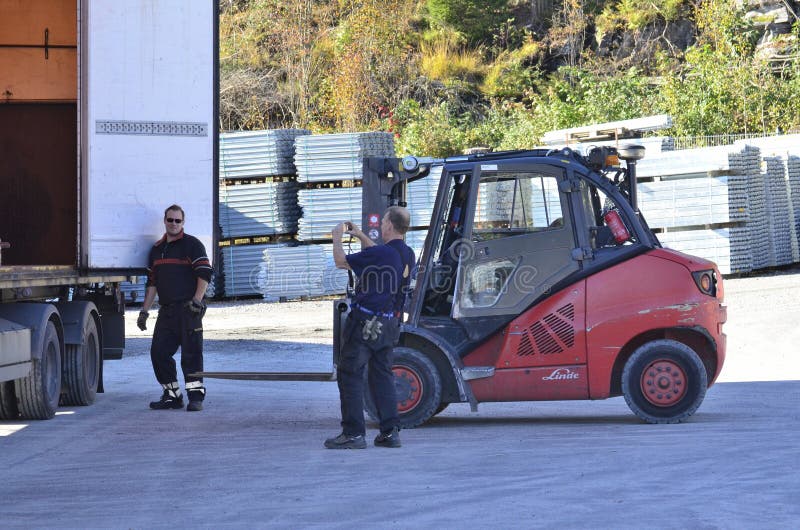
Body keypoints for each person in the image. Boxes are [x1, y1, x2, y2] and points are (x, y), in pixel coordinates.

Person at [325, 206, 416, 449]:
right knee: (382, 376)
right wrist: (361, 236)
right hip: (389, 325)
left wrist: (336, 237)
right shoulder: (407, 253)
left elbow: (340, 261)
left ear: (388, 225)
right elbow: (379, 253)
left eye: (383, 220)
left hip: (366, 323)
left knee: (350, 374)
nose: (381, 225)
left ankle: (353, 434)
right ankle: (390, 432)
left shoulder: (383, 254)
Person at [137, 205, 212, 412]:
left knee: (191, 355)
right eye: (170, 220)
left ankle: (195, 398)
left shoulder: (192, 245)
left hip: (189, 309)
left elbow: (204, 273)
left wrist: (197, 301)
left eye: (178, 221)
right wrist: (144, 311)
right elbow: (152, 283)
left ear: (183, 222)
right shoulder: (156, 250)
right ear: (164, 220)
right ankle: (172, 396)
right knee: (159, 353)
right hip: (167, 311)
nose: (173, 224)